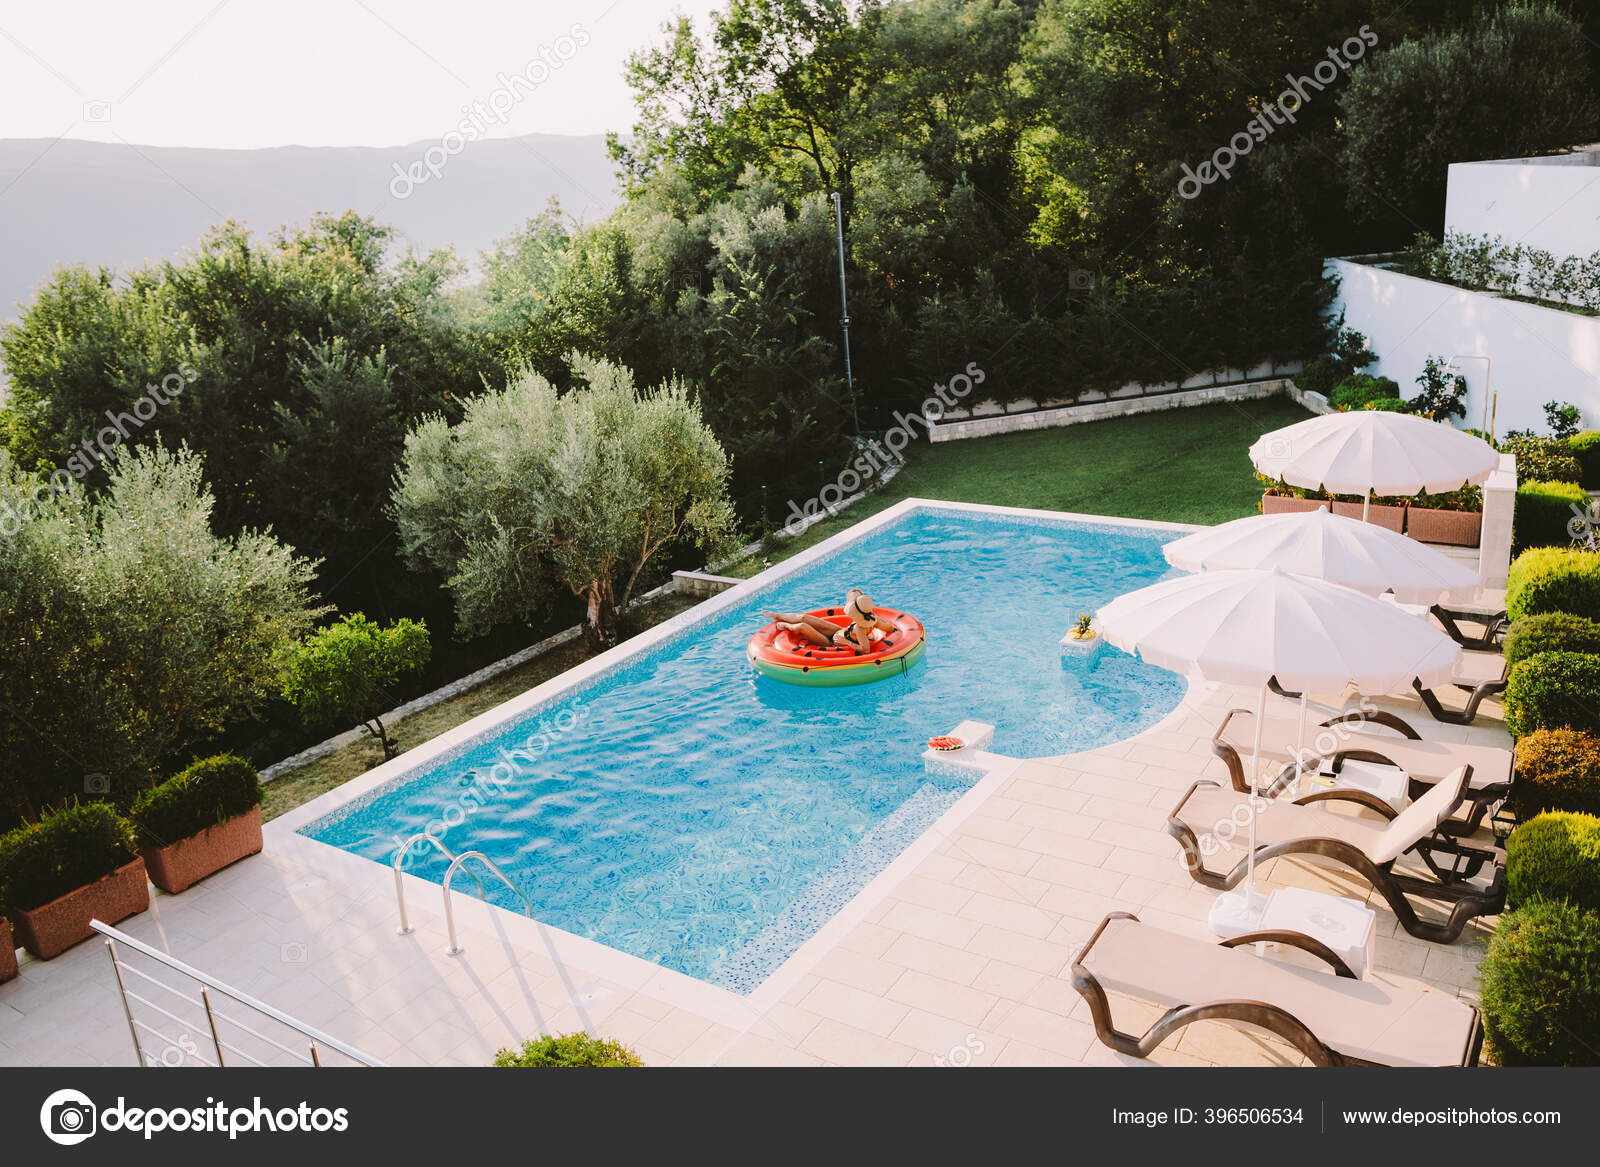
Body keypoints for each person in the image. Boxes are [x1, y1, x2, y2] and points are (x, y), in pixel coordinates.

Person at [762, 588, 893, 655]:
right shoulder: (871, 618)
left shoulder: (860, 628)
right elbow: (890, 628)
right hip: (838, 631)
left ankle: (785, 625)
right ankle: (778, 616)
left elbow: (866, 650)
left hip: (832, 643)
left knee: (802, 626)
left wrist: (846, 642)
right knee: (804, 618)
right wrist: (877, 622)